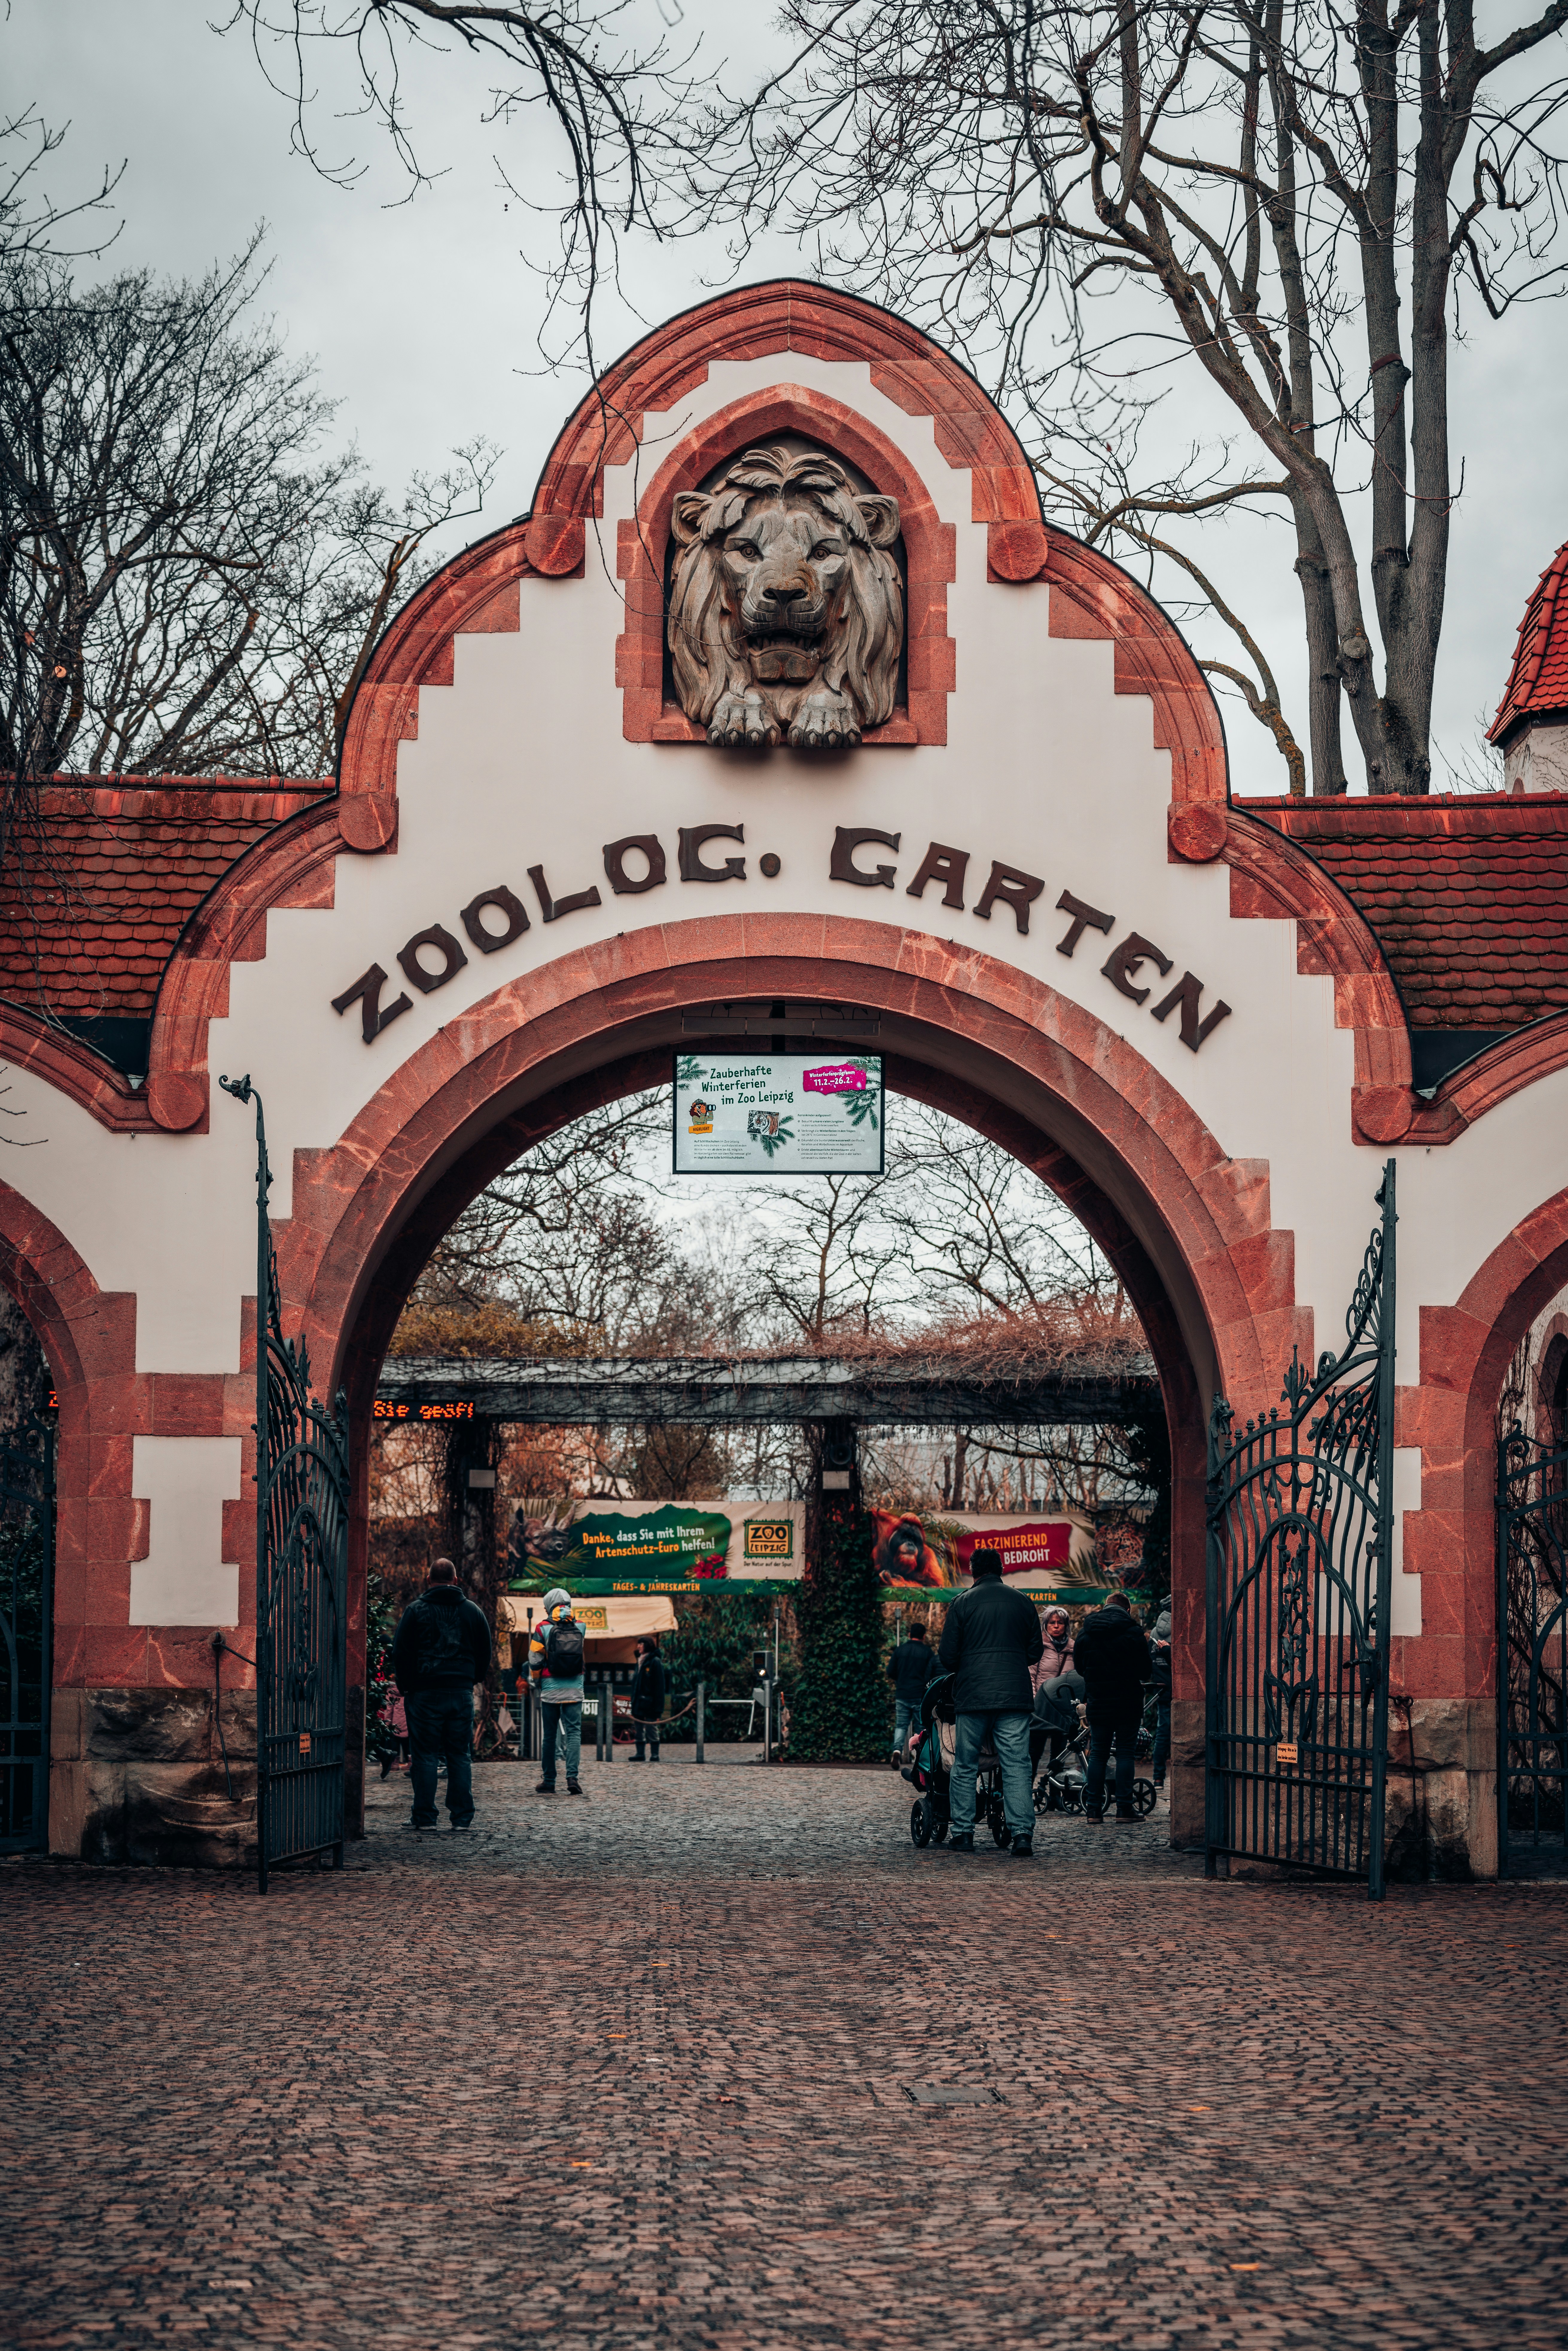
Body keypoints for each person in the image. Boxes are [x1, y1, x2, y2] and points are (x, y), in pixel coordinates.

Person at [936, 1547, 1044, 1857]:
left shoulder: (961, 1603)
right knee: (1016, 1764)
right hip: (1014, 1696)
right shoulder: (1023, 1602)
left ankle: (963, 1833)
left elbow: (947, 1656)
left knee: (965, 1763)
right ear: (1001, 1569)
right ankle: (1022, 1834)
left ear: (973, 1571)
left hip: (972, 1696)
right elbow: (1035, 1652)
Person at [390, 1556, 492, 1832]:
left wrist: (406, 1684)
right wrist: (474, 1678)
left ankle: (425, 1817)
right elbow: (485, 1650)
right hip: (460, 1692)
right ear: (456, 1580)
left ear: (428, 1580)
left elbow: (401, 1652)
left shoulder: (416, 1611)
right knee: (460, 1755)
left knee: (425, 1756)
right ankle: (461, 1818)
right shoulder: (473, 1612)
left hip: (424, 1693)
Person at [1072, 1584, 1152, 1822]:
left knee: (1098, 1754)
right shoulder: (1134, 1632)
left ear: (1105, 1606)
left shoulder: (1086, 1633)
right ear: (1127, 1609)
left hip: (1098, 1701)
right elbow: (1145, 1671)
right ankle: (1124, 1809)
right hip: (1128, 1702)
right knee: (1126, 1754)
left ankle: (1094, 1810)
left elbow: (1079, 1667)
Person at [530, 1586, 587, 1794]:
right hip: (575, 1688)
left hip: (550, 1689)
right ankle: (572, 1777)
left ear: (548, 1605)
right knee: (574, 1733)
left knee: (550, 1735)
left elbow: (535, 1660)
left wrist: (537, 1682)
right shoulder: (581, 1626)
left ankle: (549, 1780)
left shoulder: (542, 1628)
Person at [886, 1620, 939, 1765]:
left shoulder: (900, 1651)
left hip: (902, 1694)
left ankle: (897, 1751)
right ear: (923, 1636)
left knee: (901, 1725)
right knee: (920, 1726)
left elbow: (890, 1671)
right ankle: (918, 1756)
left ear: (909, 1635)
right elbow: (931, 1674)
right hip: (919, 1696)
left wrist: (900, 1680)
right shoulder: (928, 1653)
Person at [1148, 1603, 1172, 1790]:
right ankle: (1160, 1777)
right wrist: (1168, 1651)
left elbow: (1150, 1664)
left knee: (1163, 1735)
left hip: (1161, 1690)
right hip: (1175, 1690)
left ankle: (1158, 1778)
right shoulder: (1182, 1629)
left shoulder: (1155, 1633)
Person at [631, 1635, 666, 1762]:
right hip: (639, 1702)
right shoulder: (640, 1661)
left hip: (651, 1703)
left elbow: (659, 1686)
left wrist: (658, 1708)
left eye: (641, 1644)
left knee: (652, 1728)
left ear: (648, 1646)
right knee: (639, 1728)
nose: (638, 1647)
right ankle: (640, 1754)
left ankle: (655, 1754)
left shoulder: (655, 1662)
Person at [1030, 1605, 1074, 1697]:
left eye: (1060, 1623)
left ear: (1066, 1626)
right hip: (1044, 1700)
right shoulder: (1038, 1646)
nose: (1056, 1626)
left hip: (1067, 1701)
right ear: (1046, 1626)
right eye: (1052, 1623)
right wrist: (1035, 1699)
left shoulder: (1073, 1648)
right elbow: (1031, 1677)